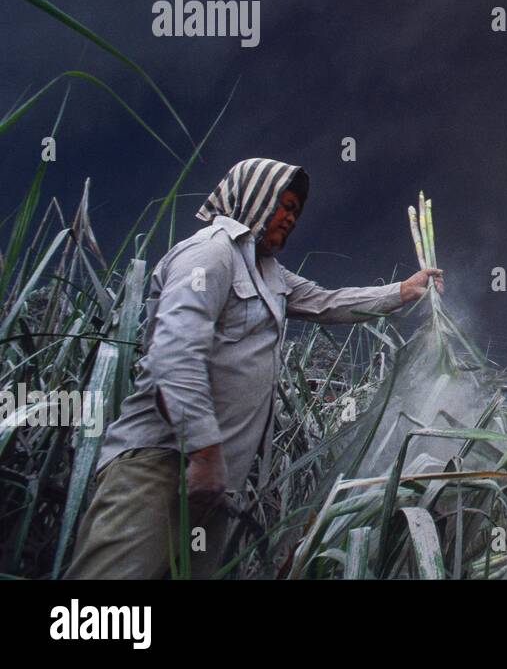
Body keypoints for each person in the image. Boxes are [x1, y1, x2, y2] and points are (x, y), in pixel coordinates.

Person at [64, 158, 442, 579]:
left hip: (212, 482)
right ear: (255, 198)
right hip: (163, 466)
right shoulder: (210, 253)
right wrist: (205, 450)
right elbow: (175, 353)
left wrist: (403, 291)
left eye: (297, 211)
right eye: (285, 204)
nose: (291, 218)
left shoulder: (268, 272)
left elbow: (327, 301)